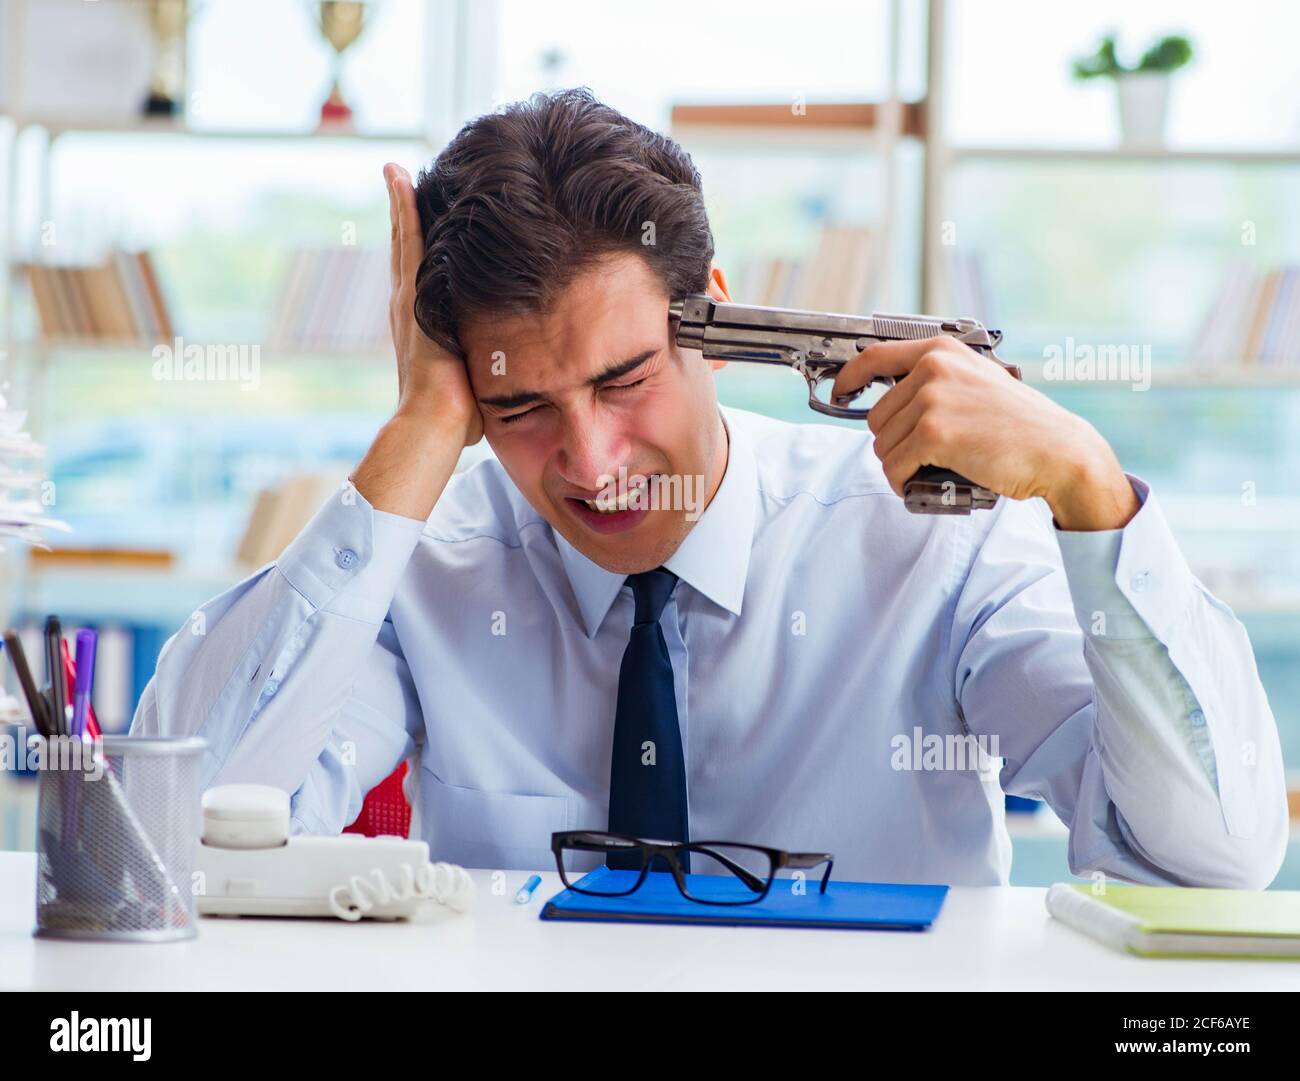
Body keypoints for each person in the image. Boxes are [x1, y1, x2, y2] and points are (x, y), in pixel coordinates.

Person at [132, 88, 1286, 887]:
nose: (589, 464)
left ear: (716, 317)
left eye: (623, 378)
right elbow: (173, 841)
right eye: (519, 405)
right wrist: (422, 428)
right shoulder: (437, 568)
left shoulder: (929, 545)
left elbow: (1208, 856)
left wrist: (1089, 490)